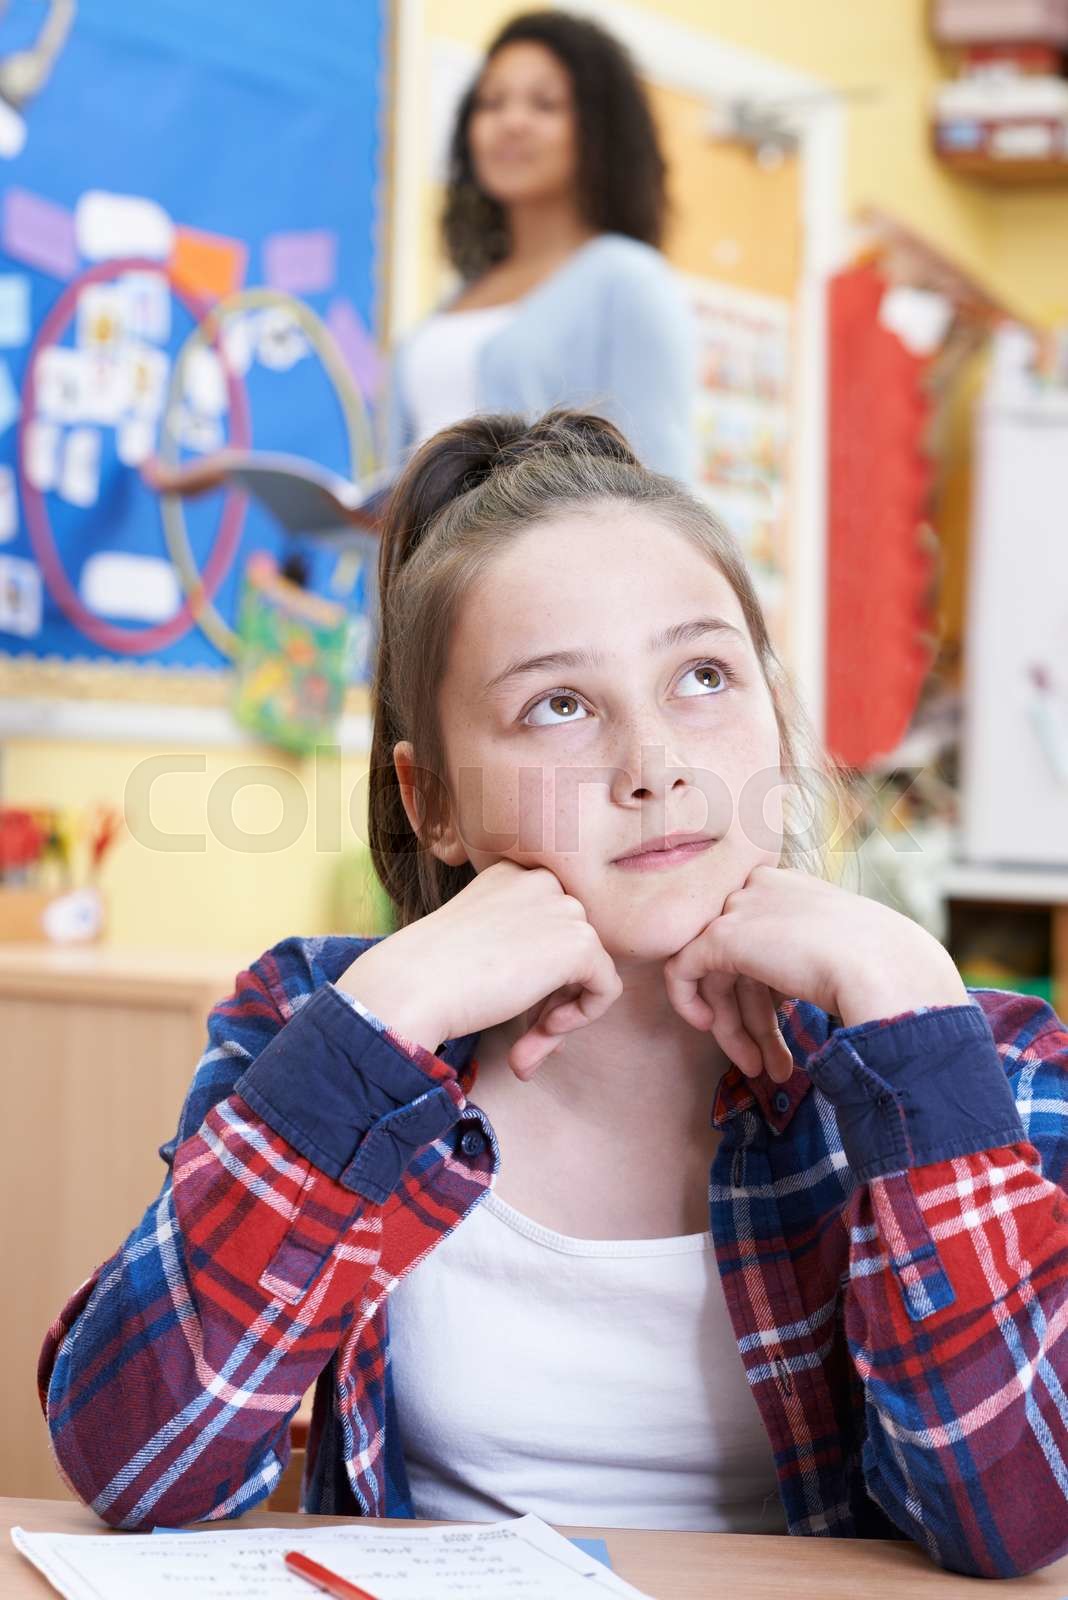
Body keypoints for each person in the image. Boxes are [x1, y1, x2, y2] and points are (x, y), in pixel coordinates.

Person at [40, 412, 1067, 1576]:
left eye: (703, 676)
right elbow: (134, 1462)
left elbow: (1017, 1521)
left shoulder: (973, 1065)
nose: (654, 762)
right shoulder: (324, 1026)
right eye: (558, 705)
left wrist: (914, 1012)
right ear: (433, 802)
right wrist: (385, 1013)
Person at [386, 9, 695, 480]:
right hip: (429, 555)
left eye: (545, 104)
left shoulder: (629, 280)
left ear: (598, 129)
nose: (511, 122)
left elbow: (662, 483)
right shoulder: (461, 294)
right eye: (491, 102)